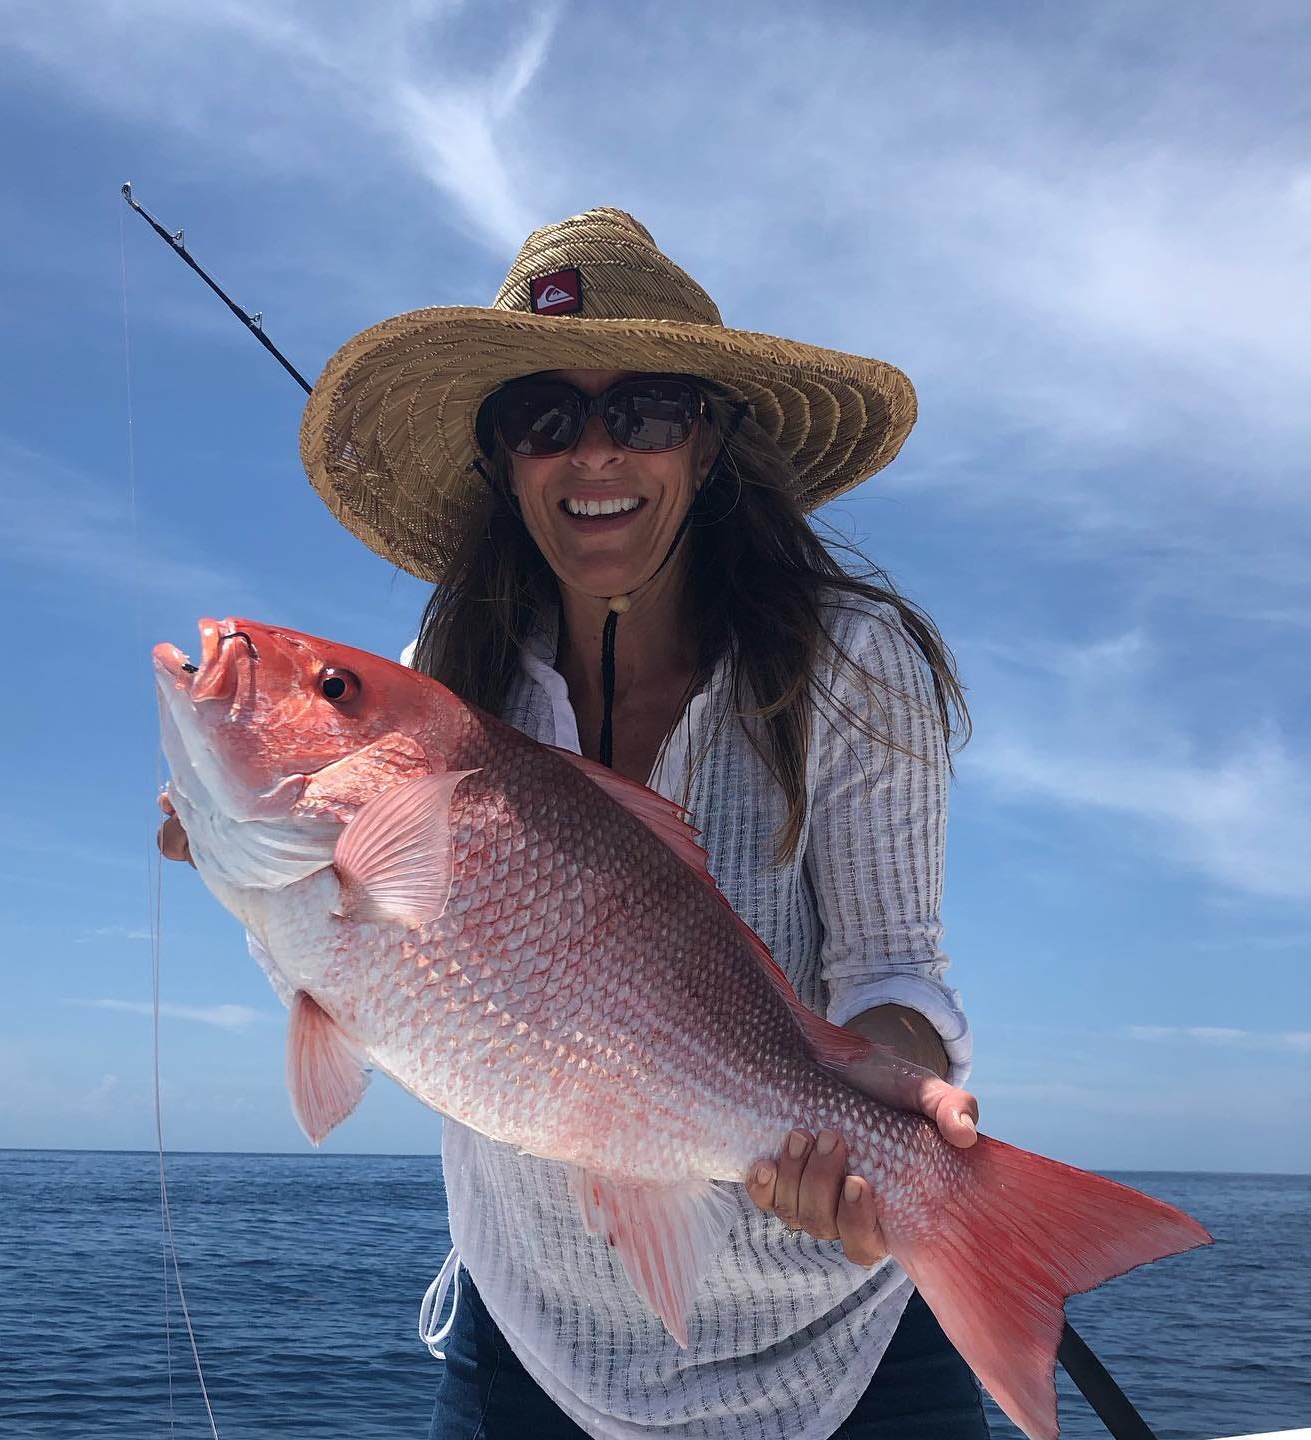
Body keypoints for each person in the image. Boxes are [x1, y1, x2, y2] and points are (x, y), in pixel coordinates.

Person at [160, 208, 985, 1439]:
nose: (594, 455)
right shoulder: (435, 680)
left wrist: (892, 1124)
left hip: (850, 1341)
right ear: (503, 462)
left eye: (646, 411)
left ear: (709, 444)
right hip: (534, 1346)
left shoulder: (848, 661)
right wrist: (244, 863)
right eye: (542, 418)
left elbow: (890, 967)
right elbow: (360, 969)